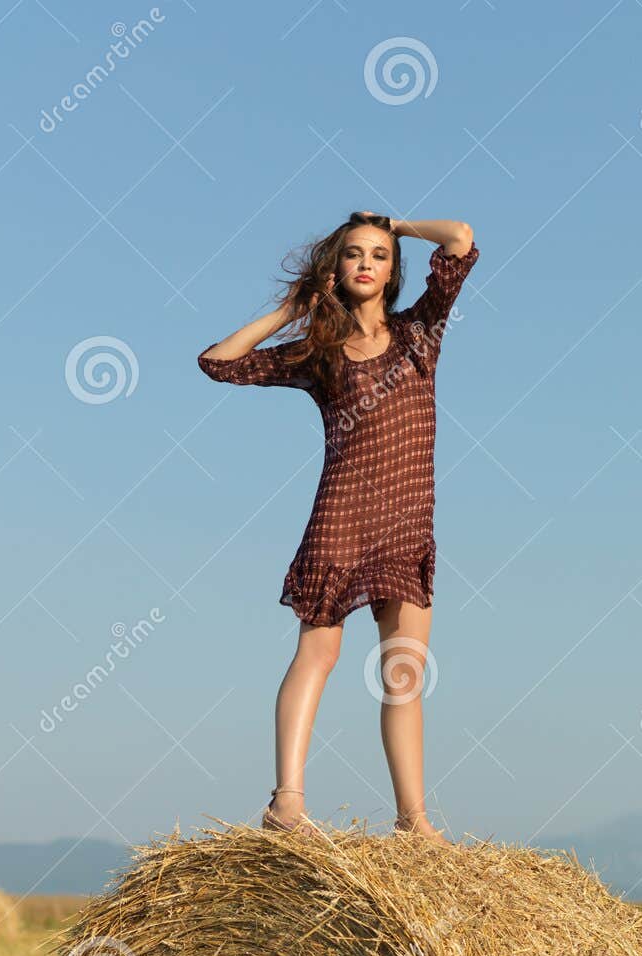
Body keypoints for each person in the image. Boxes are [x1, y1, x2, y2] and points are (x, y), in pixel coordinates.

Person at [197, 211, 478, 844]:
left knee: (403, 670)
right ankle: (286, 804)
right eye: (353, 254)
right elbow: (219, 362)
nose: (366, 263)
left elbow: (460, 238)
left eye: (378, 255)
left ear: (393, 270)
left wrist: (401, 225)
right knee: (318, 653)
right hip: (341, 520)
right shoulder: (319, 354)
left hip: (407, 526)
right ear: (335, 269)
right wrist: (295, 307)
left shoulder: (420, 335)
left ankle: (414, 821)